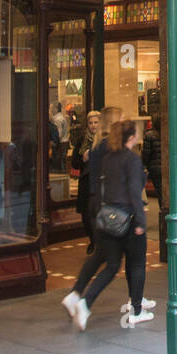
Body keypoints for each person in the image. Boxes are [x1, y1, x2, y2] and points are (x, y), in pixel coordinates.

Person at [62, 122, 152, 330]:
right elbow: (134, 192)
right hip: (127, 218)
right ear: (131, 137)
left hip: (106, 217)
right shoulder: (131, 160)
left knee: (111, 265)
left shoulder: (108, 158)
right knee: (137, 263)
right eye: (137, 133)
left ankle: (84, 301)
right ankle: (136, 310)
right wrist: (140, 221)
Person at [73, 110, 103, 254]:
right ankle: (93, 240)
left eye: (96, 122)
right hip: (86, 183)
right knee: (86, 216)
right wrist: (83, 159)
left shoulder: (104, 140)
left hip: (101, 183)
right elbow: (74, 163)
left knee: (100, 214)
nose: (93, 125)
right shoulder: (81, 141)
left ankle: (100, 244)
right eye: (90, 123)